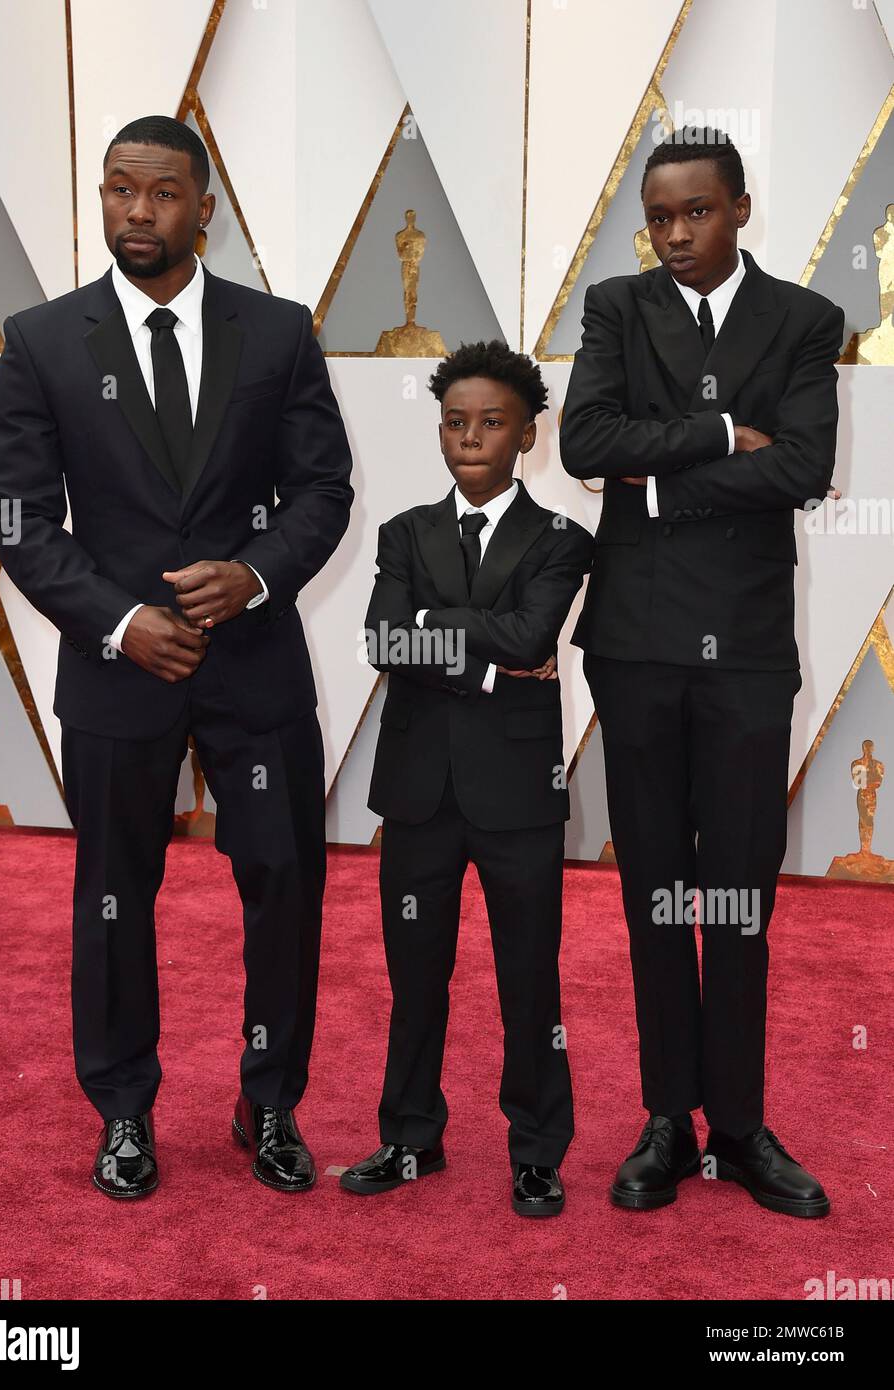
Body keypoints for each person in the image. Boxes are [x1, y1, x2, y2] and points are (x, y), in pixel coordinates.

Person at [0, 115, 353, 1199]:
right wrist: (119, 620)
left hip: (256, 665)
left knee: (282, 879)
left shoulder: (277, 333)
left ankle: (269, 1100)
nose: (137, 213)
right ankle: (125, 1110)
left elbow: (322, 490)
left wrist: (254, 574)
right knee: (112, 892)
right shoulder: (42, 339)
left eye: (161, 194)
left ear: (204, 207)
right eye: (118, 191)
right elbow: (18, 514)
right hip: (115, 668)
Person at [560, 128, 844, 1218]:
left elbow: (808, 468)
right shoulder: (618, 308)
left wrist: (662, 478)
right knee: (653, 892)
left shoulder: (807, 320)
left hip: (746, 651)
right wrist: (728, 433)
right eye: (660, 218)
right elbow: (587, 441)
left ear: (739, 208)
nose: (676, 236)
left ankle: (740, 1123)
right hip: (634, 645)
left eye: (698, 214)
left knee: (736, 892)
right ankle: (667, 1121)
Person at [340, 340, 593, 1216]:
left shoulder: (565, 538)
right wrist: (483, 658)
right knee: (416, 974)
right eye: (455, 422)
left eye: (491, 423)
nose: (469, 438)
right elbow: (382, 640)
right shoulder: (403, 531)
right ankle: (410, 1138)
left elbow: (534, 638)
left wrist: (433, 626)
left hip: (519, 794)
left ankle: (537, 1148)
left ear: (528, 435)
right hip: (418, 791)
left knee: (531, 975)